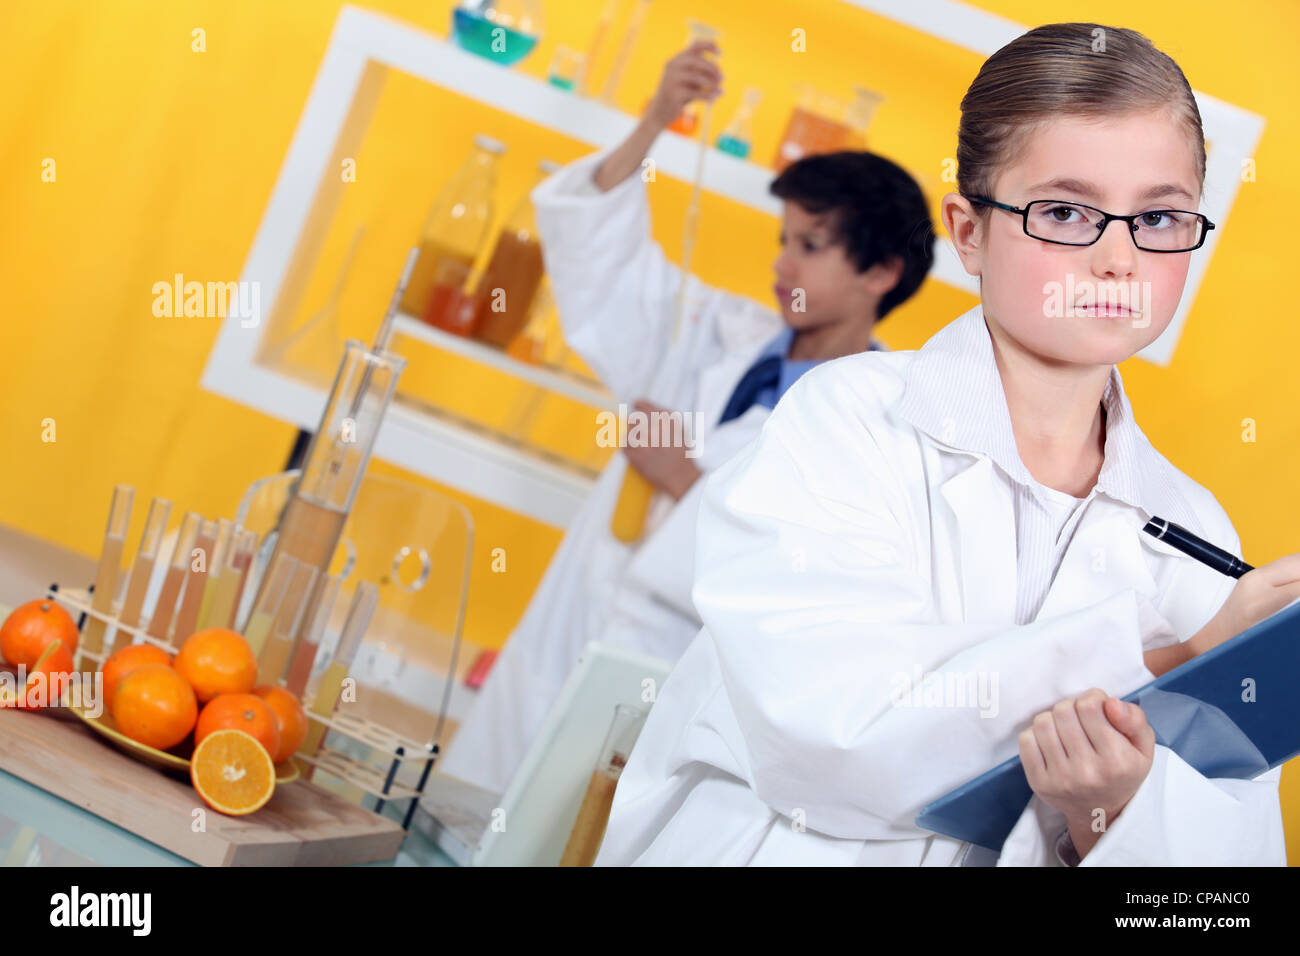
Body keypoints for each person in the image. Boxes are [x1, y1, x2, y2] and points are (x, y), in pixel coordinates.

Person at [596, 22, 1300, 866]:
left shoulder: (1198, 530)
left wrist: (1111, 810)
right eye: (1068, 211)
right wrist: (1184, 658)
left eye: (1159, 216)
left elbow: (1220, 874)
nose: (1119, 258)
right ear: (968, 232)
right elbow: (833, 739)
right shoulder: (847, 421)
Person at [438, 41, 935, 795]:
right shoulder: (712, 331)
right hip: (555, 656)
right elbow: (601, 261)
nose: (783, 265)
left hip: (668, 719)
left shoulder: (886, 432)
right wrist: (657, 118)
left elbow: (815, 600)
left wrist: (685, 480)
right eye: (782, 240)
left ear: (881, 273)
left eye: (810, 245)